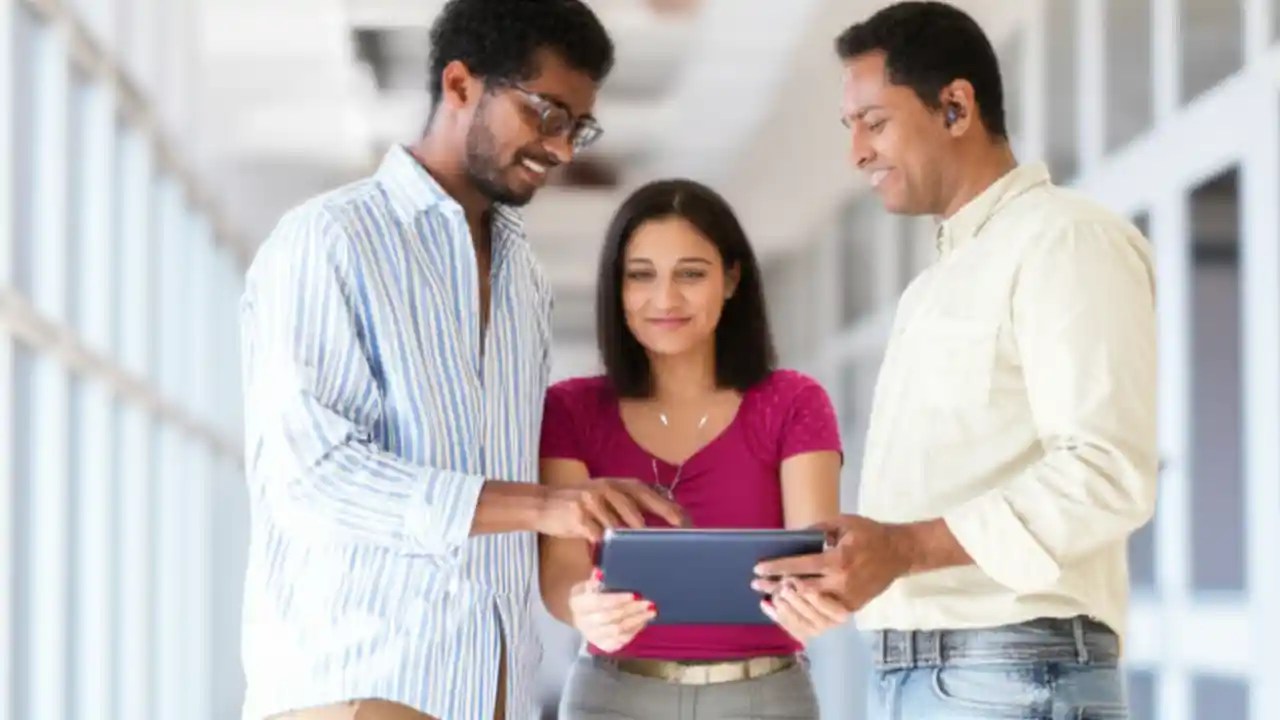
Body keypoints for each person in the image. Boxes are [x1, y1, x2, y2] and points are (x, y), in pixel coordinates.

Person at [236, 2, 685, 719]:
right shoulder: (330, 241)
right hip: (363, 686)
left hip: (490, 688)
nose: (564, 149)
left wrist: (594, 536)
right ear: (458, 85)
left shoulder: (521, 275)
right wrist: (544, 506)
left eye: (578, 126)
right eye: (547, 113)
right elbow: (312, 476)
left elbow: (508, 485)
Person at [753, 2, 1158, 718]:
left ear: (956, 106)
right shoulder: (931, 288)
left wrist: (906, 549)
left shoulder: (1064, 239)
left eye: (874, 123)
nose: (857, 154)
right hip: (924, 673)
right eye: (850, 129)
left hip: (1012, 672)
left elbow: (1105, 474)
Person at [538, 179, 844, 720]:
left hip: (764, 696)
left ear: (730, 279)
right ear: (617, 288)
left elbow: (814, 554)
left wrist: (815, 598)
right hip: (614, 696)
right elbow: (561, 568)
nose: (665, 299)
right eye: (641, 276)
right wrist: (581, 607)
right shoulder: (571, 410)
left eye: (691, 274)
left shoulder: (793, 402)